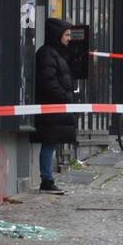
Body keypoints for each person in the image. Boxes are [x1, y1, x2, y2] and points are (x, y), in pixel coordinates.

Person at [32, 18, 77, 195]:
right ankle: (46, 180)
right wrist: (64, 96)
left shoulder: (55, 53)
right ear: (56, 35)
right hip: (52, 107)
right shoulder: (47, 54)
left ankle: (48, 178)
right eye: (66, 35)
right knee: (49, 144)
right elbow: (48, 81)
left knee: (51, 143)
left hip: (57, 107)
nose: (69, 38)